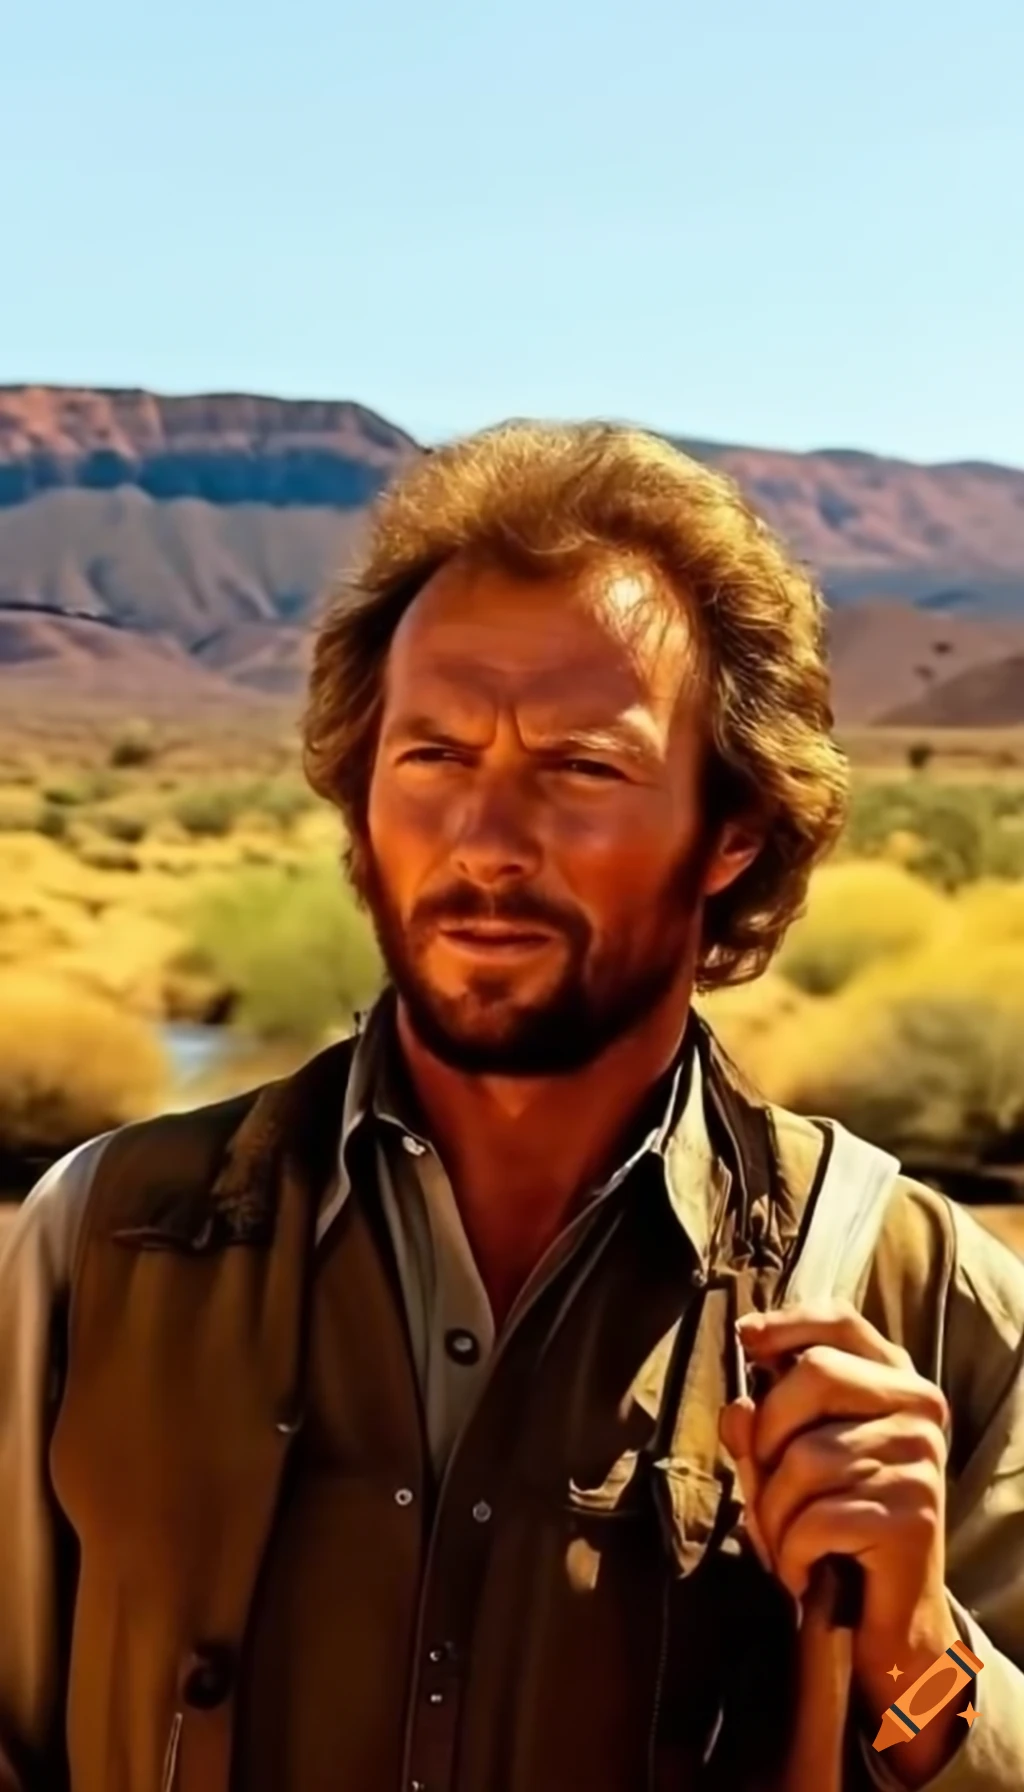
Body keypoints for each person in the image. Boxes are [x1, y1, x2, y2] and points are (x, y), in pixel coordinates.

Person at [1, 421, 1022, 1792]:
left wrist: (915, 1659)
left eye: (580, 768)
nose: (485, 841)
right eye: (431, 757)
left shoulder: (916, 1294)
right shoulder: (99, 1247)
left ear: (731, 827)